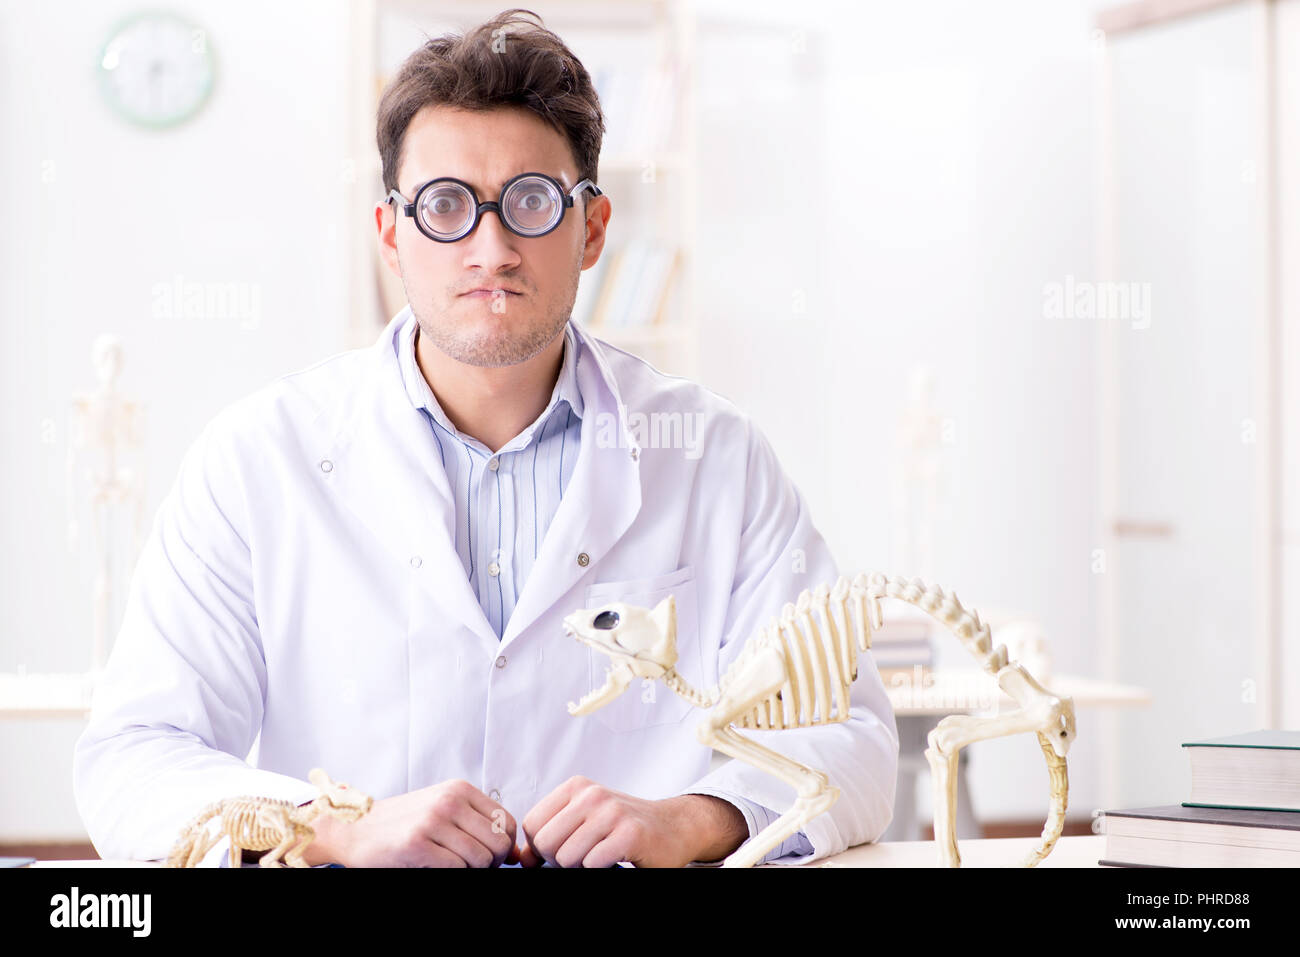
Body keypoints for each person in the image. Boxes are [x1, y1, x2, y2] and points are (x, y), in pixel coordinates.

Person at [73, 8, 898, 868]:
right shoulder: (255, 460)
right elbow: (134, 754)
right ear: (392, 234)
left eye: (533, 202)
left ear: (593, 231)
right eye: (445, 206)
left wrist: (690, 818)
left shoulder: (715, 456)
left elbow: (855, 734)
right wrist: (334, 825)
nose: (491, 247)